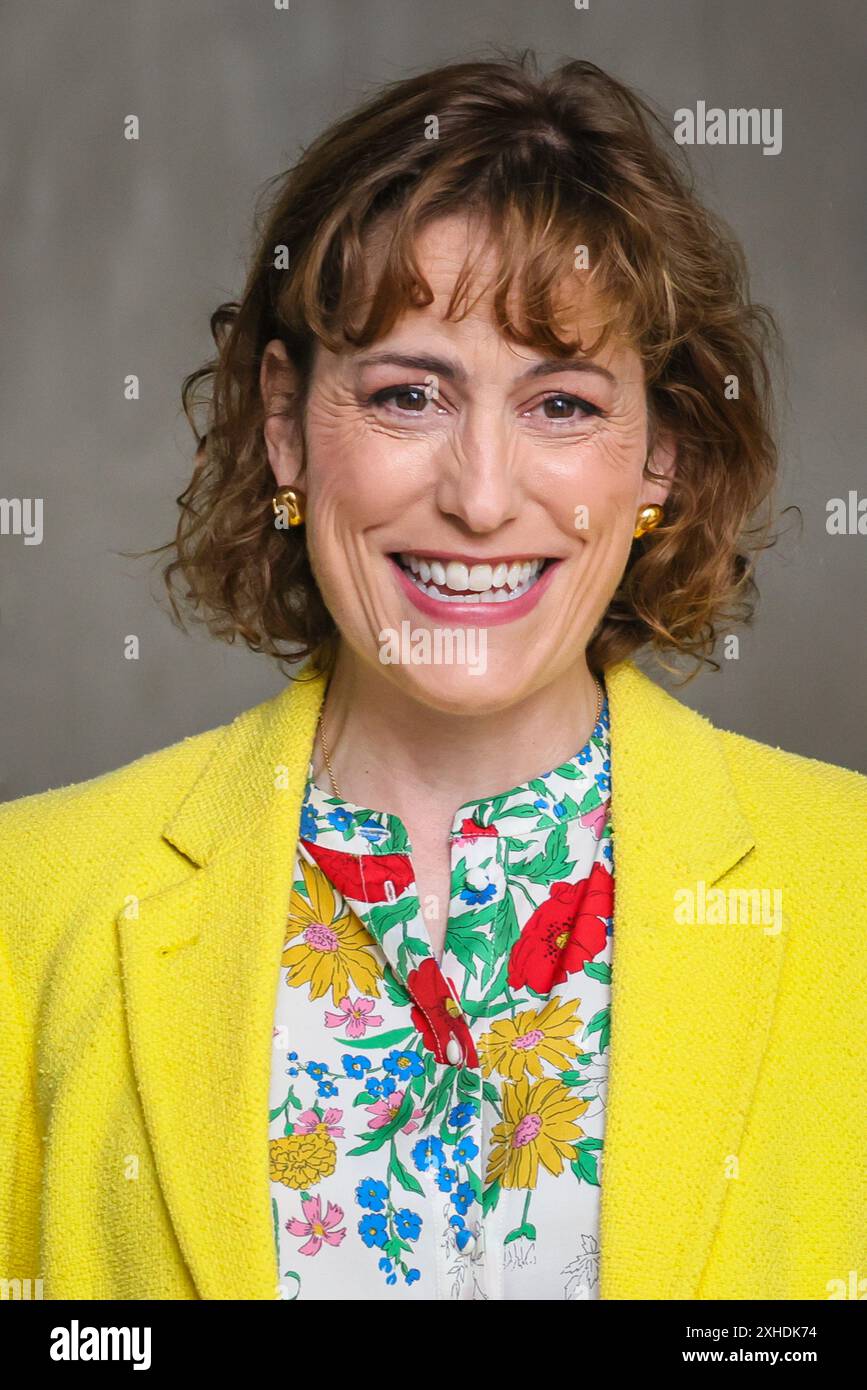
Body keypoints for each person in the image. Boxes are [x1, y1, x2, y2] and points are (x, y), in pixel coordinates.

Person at [1, 54, 864, 1303]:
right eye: (410, 395)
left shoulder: (849, 886)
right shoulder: (30, 905)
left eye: (563, 405)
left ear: (661, 456)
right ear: (286, 423)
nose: (481, 496)